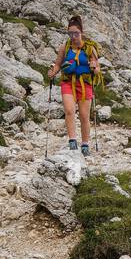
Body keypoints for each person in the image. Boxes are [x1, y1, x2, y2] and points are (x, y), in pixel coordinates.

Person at [47, 16, 101, 155]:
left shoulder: (90, 48)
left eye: (76, 33)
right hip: (68, 82)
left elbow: (97, 68)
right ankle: (72, 141)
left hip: (84, 84)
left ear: (81, 32)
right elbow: (58, 64)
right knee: (69, 110)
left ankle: (85, 144)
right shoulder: (65, 47)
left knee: (84, 115)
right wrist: (53, 72)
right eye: (70, 33)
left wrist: (94, 67)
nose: (73, 36)